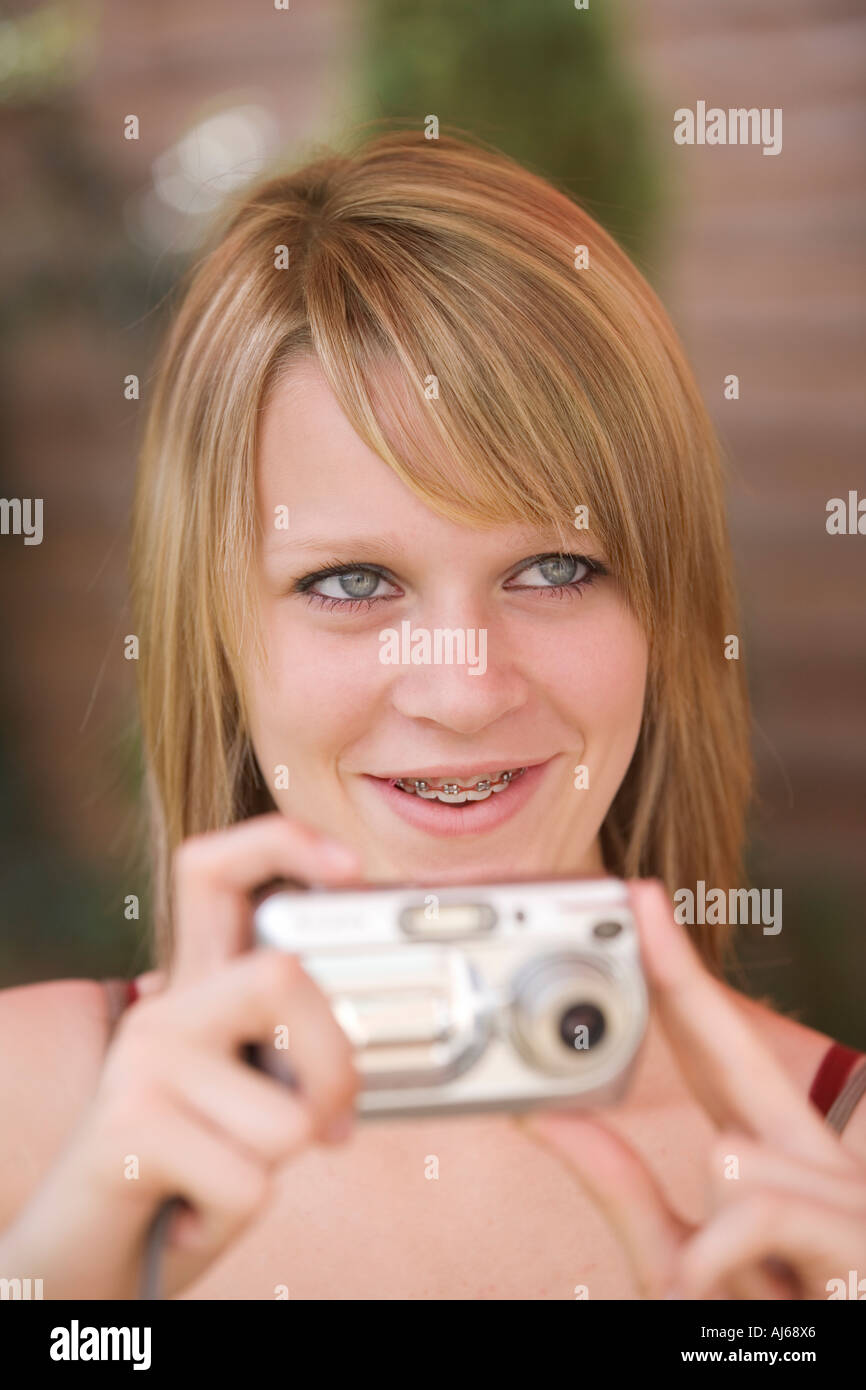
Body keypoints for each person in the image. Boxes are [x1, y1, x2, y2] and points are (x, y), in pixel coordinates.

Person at [1, 131, 864, 1301]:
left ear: (666, 613)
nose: (462, 690)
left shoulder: (838, 1181)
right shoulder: (31, 1121)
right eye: (351, 581)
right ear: (217, 637)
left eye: (555, 567)